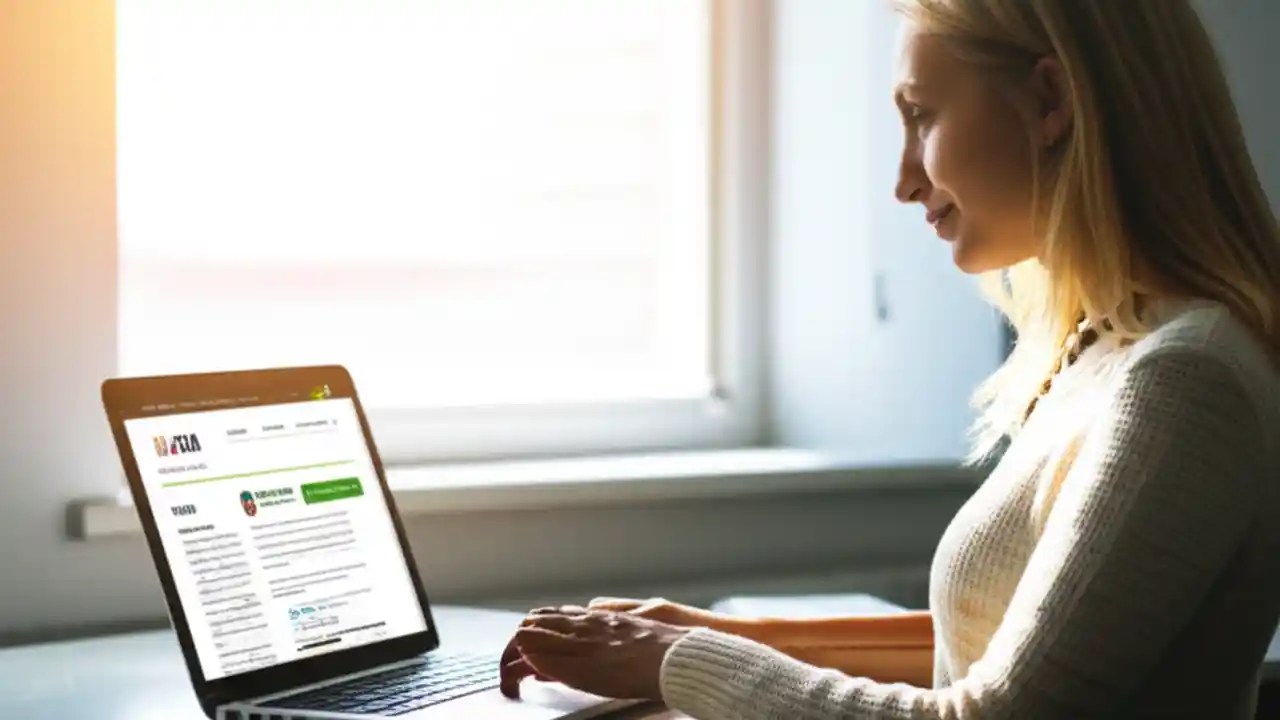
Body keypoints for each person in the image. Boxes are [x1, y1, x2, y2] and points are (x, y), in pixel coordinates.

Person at [499, 0, 1280, 717]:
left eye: (921, 115)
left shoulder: (1184, 379)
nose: (905, 181)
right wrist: (712, 635)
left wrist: (683, 661)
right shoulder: (1113, 345)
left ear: (1049, 102)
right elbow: (1012, 645)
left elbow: (998, 714)